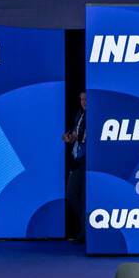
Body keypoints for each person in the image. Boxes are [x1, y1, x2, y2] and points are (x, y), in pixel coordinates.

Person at [63, 91, 87, 242]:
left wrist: (77, 137)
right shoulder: (79, 115)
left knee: (82, 197)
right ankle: (84, 229)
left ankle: (85, 232)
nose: (84, 101)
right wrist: (69, 137)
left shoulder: (95, 115)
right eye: (82, 99)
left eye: (86, 99)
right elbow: (75, 134)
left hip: (87, 162)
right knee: (72, 195)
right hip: (76, 159)